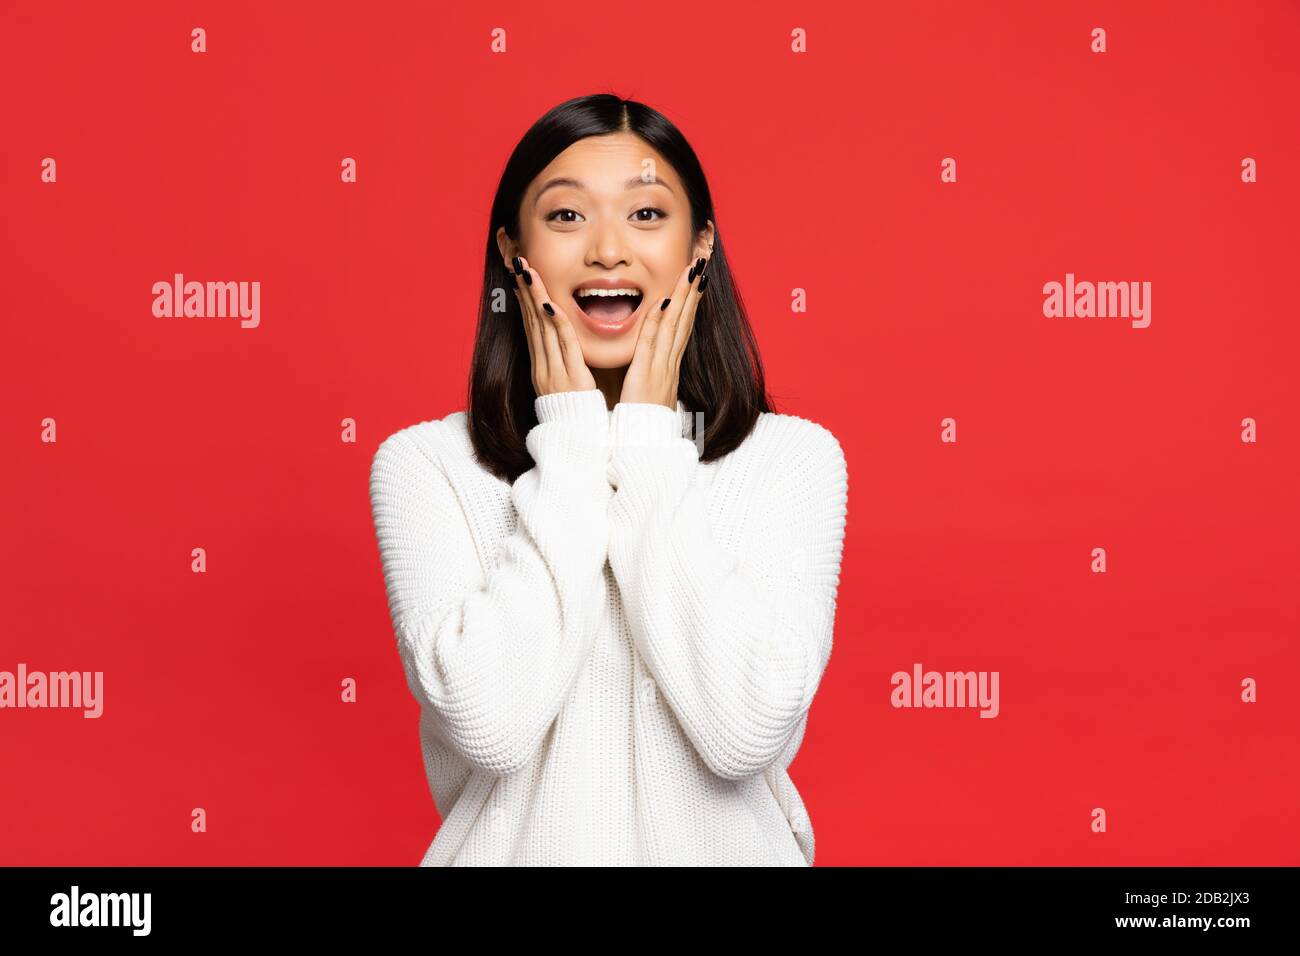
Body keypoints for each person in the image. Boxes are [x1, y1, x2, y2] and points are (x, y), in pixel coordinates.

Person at [368, 93, 848, 866]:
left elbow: (745, 729)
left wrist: (651, 450)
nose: (608, 251)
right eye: (565, 218)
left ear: (701, 248)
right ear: (511, 253)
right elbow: (492, 720)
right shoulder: (427, 466)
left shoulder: (790, 461)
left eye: (647, 215)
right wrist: (572, 445)